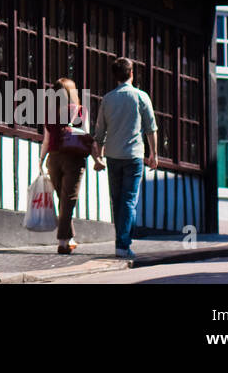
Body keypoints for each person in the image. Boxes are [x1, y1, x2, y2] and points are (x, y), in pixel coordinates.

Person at [92, 57, 158, 259]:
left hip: (112, 155)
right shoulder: (141, 97)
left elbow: (99, 133)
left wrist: (98, 158)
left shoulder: (107, 99)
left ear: (115, 75)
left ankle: (124, 239)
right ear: (131, 74)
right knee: (129, 201)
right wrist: (154, 154)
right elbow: (151, 128)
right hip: (134, 156)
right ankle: (123, 243)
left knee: (118, 200)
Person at [38, 78, 104, 255]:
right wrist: (97, 159)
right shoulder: (80, 112)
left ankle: (70, 237)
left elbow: (46, 139)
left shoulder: (49, 112)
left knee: (63, 199)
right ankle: (62, 241)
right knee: (69, 200)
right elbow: (87, 137)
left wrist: (41, 159)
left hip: (54, 158)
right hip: (73, 158)